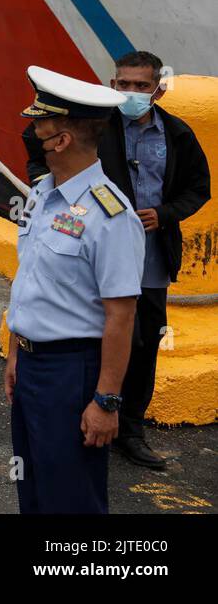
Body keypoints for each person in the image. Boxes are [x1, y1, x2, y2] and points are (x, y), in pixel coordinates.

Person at [8, 66, 145, 514]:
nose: (31, 133)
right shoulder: (42, 194)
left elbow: (121, 315)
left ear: (62, 139)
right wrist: (15, 352)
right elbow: (32, 282)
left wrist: (106, 401)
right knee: (32, 492)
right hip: (31, 366)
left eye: (39, 127)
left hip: (72, 372)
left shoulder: (111, 215)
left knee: (72, 499)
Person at [101, 51, 210, 469]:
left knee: (144, 347)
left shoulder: (178, 134)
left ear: (158, 89)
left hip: (150, 262)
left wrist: (163, 214)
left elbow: (199, 188)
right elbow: (42, 153)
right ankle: (89, 417)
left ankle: (130, 431)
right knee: (94, 338)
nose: (130, 93)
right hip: (100, 260)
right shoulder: (95, 125)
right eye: (123, 84)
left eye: (140, 86)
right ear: (113, 86)